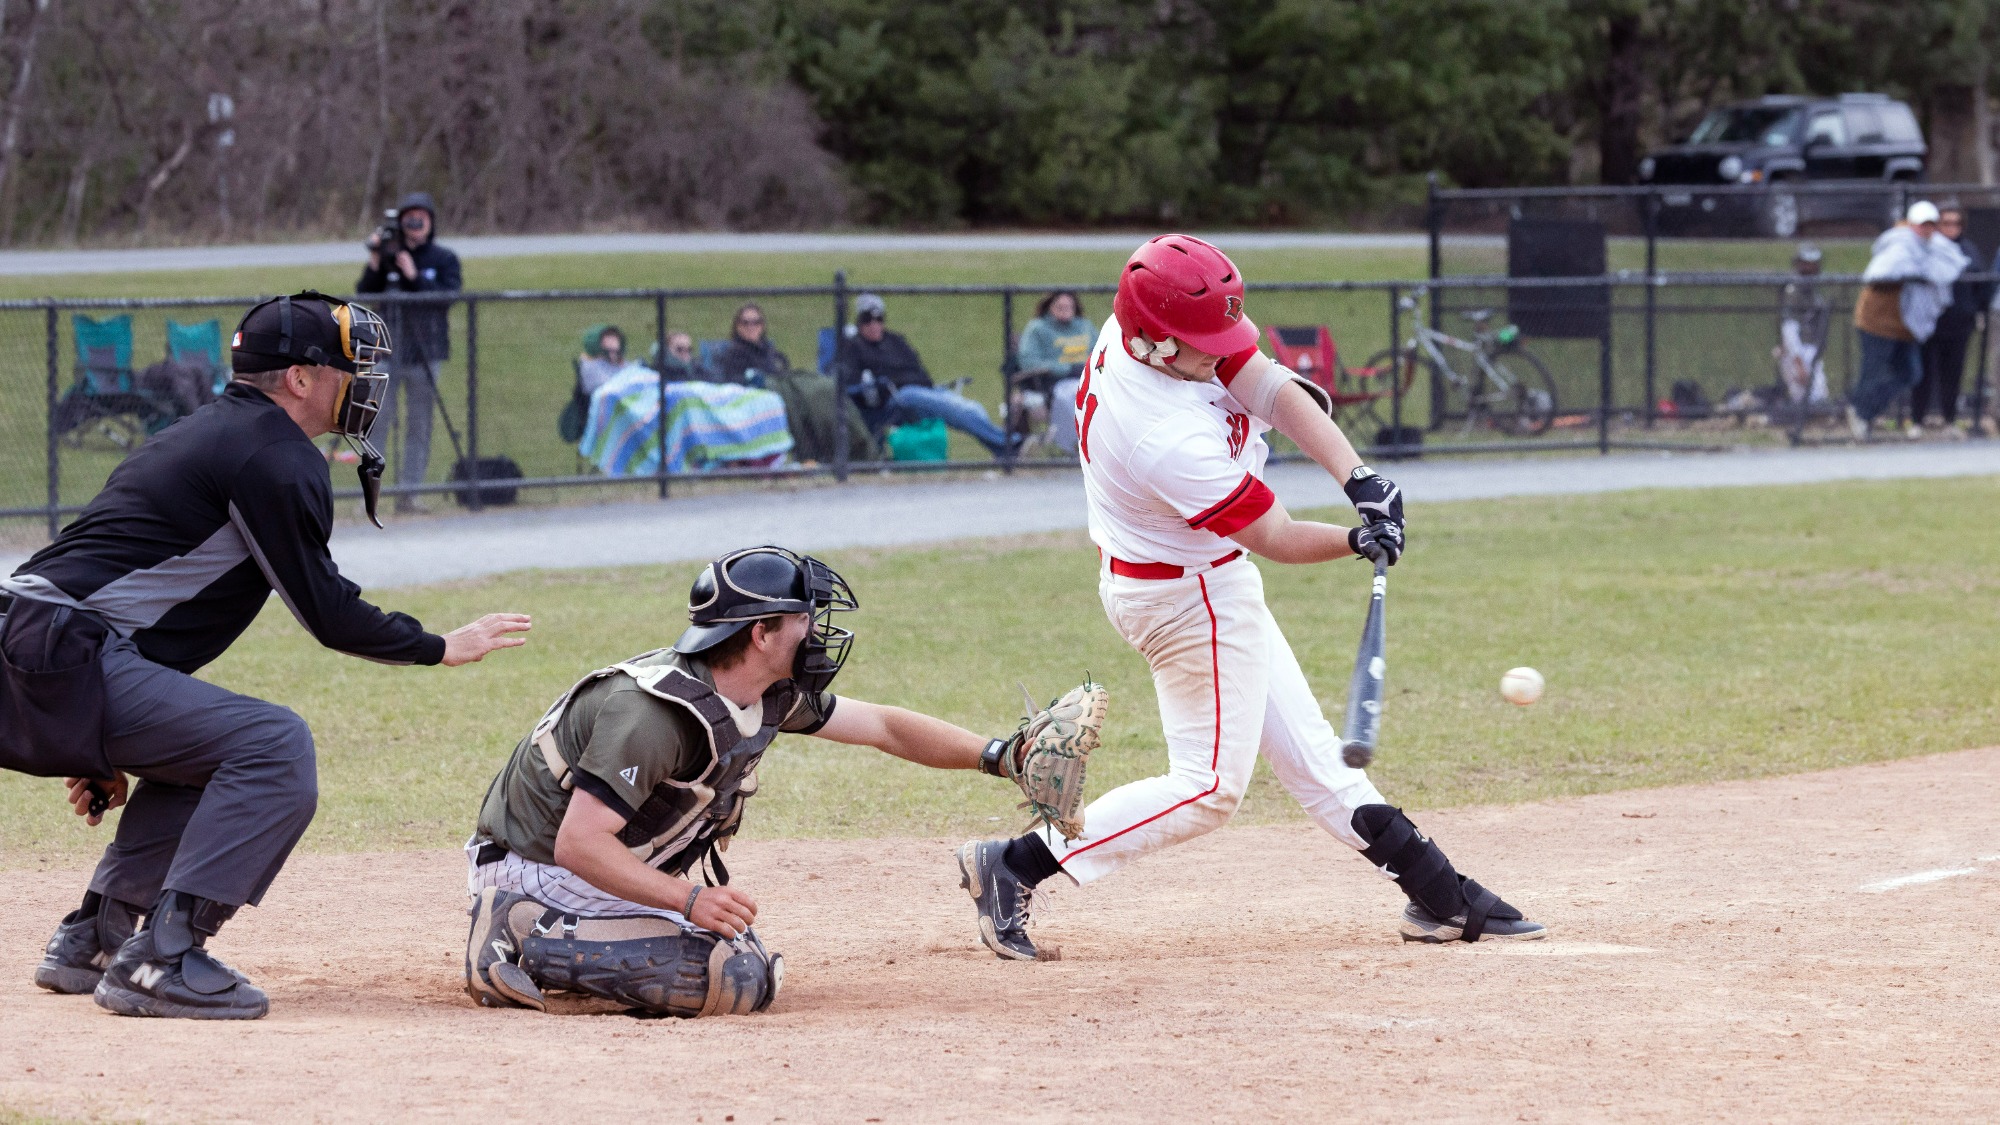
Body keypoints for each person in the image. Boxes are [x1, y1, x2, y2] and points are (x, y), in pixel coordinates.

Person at [954, 235, 1546, 962]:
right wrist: (1358, 541)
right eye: (1204, 344)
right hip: (1186, 598)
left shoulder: (1138, 325)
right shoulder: (1161, 436)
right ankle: (1016, 863)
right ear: (1158, 343)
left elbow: (1264, 384)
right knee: (1208, 787)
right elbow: (1278, 533)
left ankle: (1441, 895)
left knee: (1321, 764)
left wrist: (1359, 478)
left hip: (1195, 577)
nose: (1220, 353)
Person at [4, 291, 530, 1020]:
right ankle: (163, 956)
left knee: (211, 758)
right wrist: (441, 645)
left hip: (42, 642)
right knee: (275, 746)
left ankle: (96, 934)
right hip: (63, 649)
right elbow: (327, 612)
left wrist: (93, 732)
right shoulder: (273, 456)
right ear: (301, 378)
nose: (362, 384)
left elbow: (116, 595)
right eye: (349, 368)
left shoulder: (209, 432)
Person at [461, 546, 1099, 1017]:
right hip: (537, 865)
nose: (816, 631)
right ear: (761, 633)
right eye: (803, 618)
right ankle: (516, 928)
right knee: (733, 974)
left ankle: (563, 938)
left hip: (589, 865)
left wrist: (1000, 755)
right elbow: (579, 842)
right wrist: (685, 902)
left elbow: (883, 727)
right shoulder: (652, 715)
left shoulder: (762, 690)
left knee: (737, 962)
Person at [357, 192, 463, 512]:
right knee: (377, 421)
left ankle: (409, 494)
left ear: (431, 223)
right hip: (387, 351)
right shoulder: (390, 255)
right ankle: (370, 493)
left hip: (425, 353)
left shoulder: (443, 259)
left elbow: (447, 297)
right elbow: (366, 292)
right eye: (409, 220)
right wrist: (377, 259)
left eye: (421, 220)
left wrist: (414, 276)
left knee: (419, 424)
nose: (414, 226)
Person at [833, 293, 1018, 459]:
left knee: (972, 408)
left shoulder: (896, 341)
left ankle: (1004, 450)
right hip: (894, 400)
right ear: (859, 321)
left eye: (879, 319)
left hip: (921, 391)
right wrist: (880, 386)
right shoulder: (853, 347)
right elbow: (851, 384)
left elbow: (920, 371)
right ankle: (1011, 443)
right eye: (867, 320)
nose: (874, 325)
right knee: (936, 402)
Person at [1847, 201, 1969, 440]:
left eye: (1931, 225)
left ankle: (1864, 410)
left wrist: (1923, 276)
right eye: (1922, 225)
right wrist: (1908, 275)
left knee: (1911, 373)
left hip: (1906, 327)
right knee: (1873, 372)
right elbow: (1878, 274)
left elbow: (1952, 266)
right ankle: (1861, 413)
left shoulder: (1934, 248)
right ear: (1912, 224)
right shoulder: (1899, 245)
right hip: (1877, 324)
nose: (1926, 230)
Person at [1911, 204, 1989, 436]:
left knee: (1952, 374)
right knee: (1922, 373)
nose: (1951, 228)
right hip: (1928, 323)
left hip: (1958, 323)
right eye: (1946, 223)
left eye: (1956, 223)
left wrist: (1977, 311)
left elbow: (1981, 284)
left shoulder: (1968, 251)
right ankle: (1916, 421)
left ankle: (1949, 421)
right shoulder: (1926, 249)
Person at [1014, 290, 1096, 454]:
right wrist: (1064, 368)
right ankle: (1074, 446)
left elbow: (1103, 352)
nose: (1065, 310)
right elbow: (1028, 362)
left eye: (1069, 306)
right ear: (1049, 307)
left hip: (1089, 378)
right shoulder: (1038, 329)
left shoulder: (1084, 326)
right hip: (1054, 384)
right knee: (1072, 395)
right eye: (1060, 306)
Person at [1775, 243, 1831, 409]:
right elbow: (1789, 328)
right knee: (1802, 394)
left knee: (1819, 396)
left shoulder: (1814, 290)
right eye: (1806, 263)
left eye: (1814, 263)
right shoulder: (1793, 290)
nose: (1811, 267)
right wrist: (1798, 361)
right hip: (1797, 349)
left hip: (1811, 348)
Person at [709, 304, 790, 384]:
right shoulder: (733, 354)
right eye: (745, 323)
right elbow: (731, 381)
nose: (751, 327)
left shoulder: (769, 350)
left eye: (756, 322)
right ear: (737, 326)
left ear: (762, 326)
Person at [576, 325, 642, 396]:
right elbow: (607, 386)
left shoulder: (621, 363)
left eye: (614, 339)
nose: (613, 344)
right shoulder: (590, 366)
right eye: (607, 340)